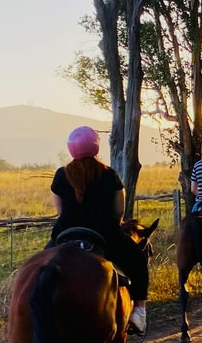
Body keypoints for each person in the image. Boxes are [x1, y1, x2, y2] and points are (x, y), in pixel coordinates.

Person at [49, 126, 148, 332]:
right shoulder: (109, 174)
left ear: (71, 149)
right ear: (95, 146)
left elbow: (59, 210)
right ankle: (139, 311)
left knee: (40, 267)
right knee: (137, 259)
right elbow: (119, 212)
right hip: (104, 234)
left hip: (65, 234)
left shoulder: (61, 174)